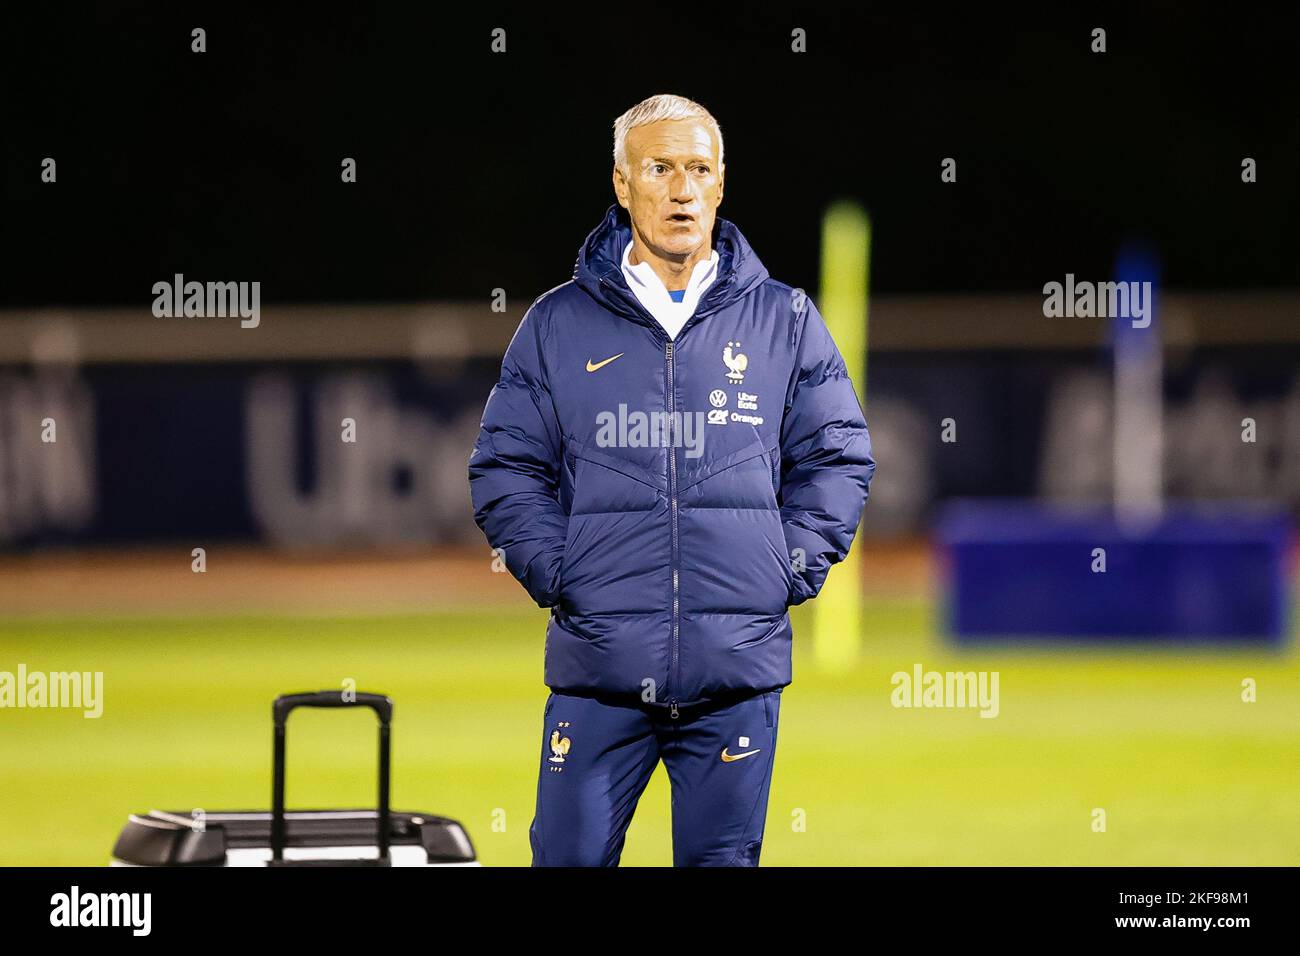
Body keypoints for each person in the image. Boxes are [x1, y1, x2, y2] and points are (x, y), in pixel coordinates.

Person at [469, 93, 875, 866]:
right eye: (660, 169)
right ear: (622, 184)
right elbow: (504, 466)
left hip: (735, 674)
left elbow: (839, 455)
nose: (681, 189)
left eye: (698, 169)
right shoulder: (557, 324)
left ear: (721, 185)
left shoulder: (784, 320)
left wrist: (782, 567)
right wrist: (562, 573)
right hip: (601, 670)